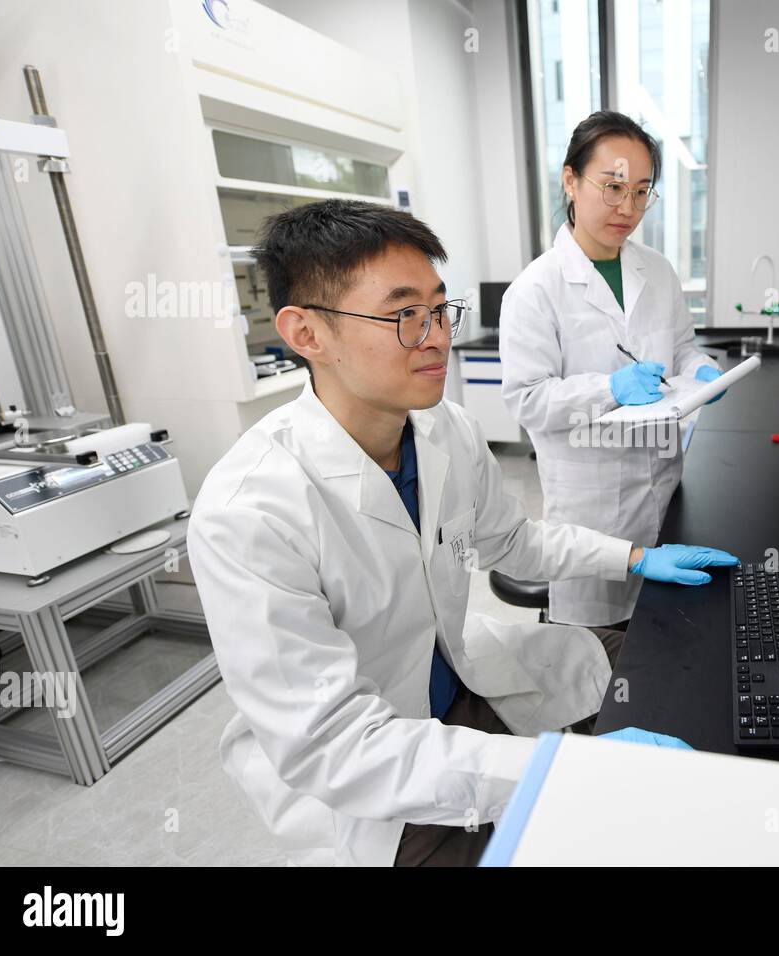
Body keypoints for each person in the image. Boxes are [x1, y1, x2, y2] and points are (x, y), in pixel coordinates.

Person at [188, 199, 737, 866]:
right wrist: (554, 774)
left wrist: (636, 557)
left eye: (439, 310)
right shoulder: (250, 512)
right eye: (402, 315)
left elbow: (516, 541)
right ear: (307, 334)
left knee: (662, 660)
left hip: (460, 679)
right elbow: (338, 747)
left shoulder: (445, 429)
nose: (437, 337)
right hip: (367, 778)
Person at [501, 110, 727, 629]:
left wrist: (704, 372)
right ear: (570, 180)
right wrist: (611, 389)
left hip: (665, 490)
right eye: (613, 187)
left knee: (662, 637)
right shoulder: (536, 289)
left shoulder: (659, 271)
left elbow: (684, 349)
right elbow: (527, 399)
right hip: (590, 508)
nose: (628, 207)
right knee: (597, 659)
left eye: (642, 191)